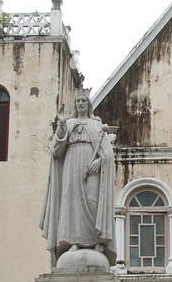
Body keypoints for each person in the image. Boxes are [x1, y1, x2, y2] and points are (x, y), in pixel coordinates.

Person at [39, 89, 116, 265]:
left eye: (83, 101)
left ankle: (97, 240)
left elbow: (108, 154)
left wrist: (100, 161)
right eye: (78, 101)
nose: (80, 103)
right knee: (71, 203)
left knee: (92, 200)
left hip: (92, 167)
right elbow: (58, 150)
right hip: (71, 165)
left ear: (88, 105)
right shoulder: (70, 124)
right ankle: (75, 241)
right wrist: (60, 127)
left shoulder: (96, 126)